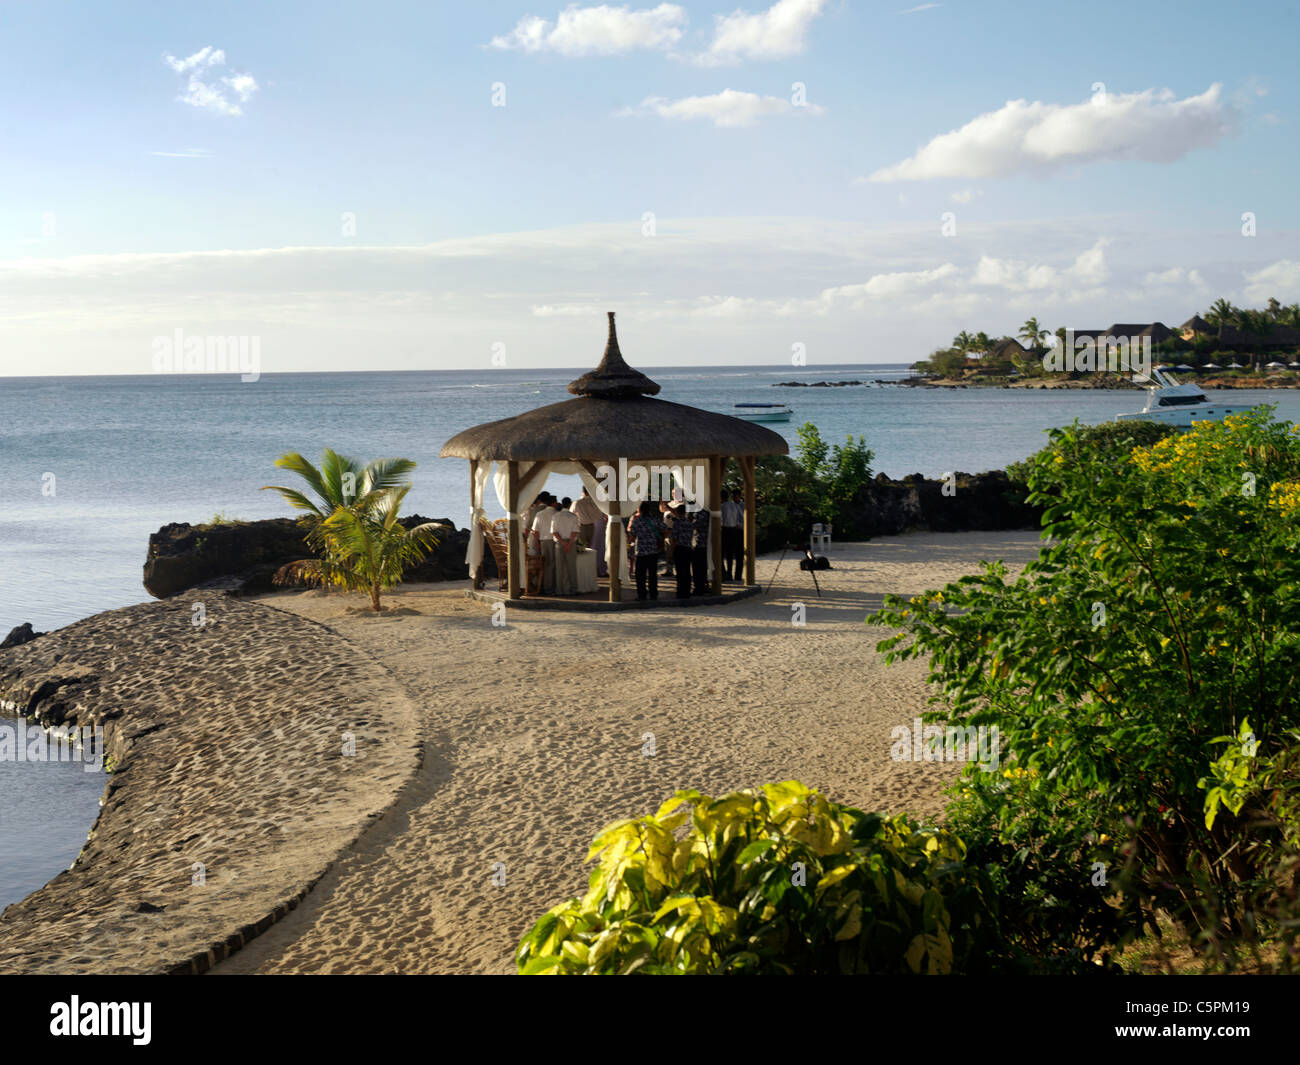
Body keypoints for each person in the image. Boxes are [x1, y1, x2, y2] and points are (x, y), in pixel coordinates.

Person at [627, 500, 664, 601]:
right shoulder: (655, 520)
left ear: (640, 510)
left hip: (641, 551)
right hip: (653, 550)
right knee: (652, 575)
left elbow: (632, 537)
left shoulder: (637, 521)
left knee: (641, 576)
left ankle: (642, 595)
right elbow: (664, 529)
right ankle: (653, 594)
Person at [551, 499, 582, 595]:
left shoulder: (555, 516)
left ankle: (559, 590)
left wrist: (563, 543)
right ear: (569, 505)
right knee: (572, 568)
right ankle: (573, 589)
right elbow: (575, 531)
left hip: (559, 543)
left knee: (559, 568)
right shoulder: (573, 516)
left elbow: (554, 532)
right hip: (571, 542)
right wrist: (569, 544)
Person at [531, 495, 558, 594]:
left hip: (542, 541)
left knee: (543, 565)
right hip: (552, 541)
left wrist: (538, 543)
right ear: (554, 503)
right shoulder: (556, 514)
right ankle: (549, 587)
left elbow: (535, 531)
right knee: (551, 565)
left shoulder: (539, 514)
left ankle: (542, 586)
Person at [669, 501, 693, 599]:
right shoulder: (689, 523)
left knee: (679, 570)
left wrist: (671, 550)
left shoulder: (677, 523)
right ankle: (687, 590)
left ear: (678, 512)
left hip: (679, 548)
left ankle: (680, 591)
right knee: (687, 570)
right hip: (688, 547)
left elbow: (675, 538)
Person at [721, 489, 743, 582]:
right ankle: (729, 574)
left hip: (725, 530)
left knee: (721, 553)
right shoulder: (735, 505)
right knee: (730, 554)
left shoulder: (721, 506)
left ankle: (725, 574)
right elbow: (740, 517)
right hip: (734, 529)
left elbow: (720, 520)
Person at [690, 503, 710, 595]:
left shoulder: (700, 514)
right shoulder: (708, 513)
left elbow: (695, 525)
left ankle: (699, 587)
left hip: (699, 542)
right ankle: (703, 585)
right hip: (705, 543)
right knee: (703, 566)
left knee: (697, 567)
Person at [659, 500, 677, 578]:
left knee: (675, 551)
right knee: (668, 552)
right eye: (673, 493)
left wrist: (668, 507)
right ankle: (669, 570)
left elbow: (677, 513)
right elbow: (662, 510)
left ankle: (678, 570)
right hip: (667, 531)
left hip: (674, 530)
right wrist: (662, 503)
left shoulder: (683, 502)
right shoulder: (671, 503)